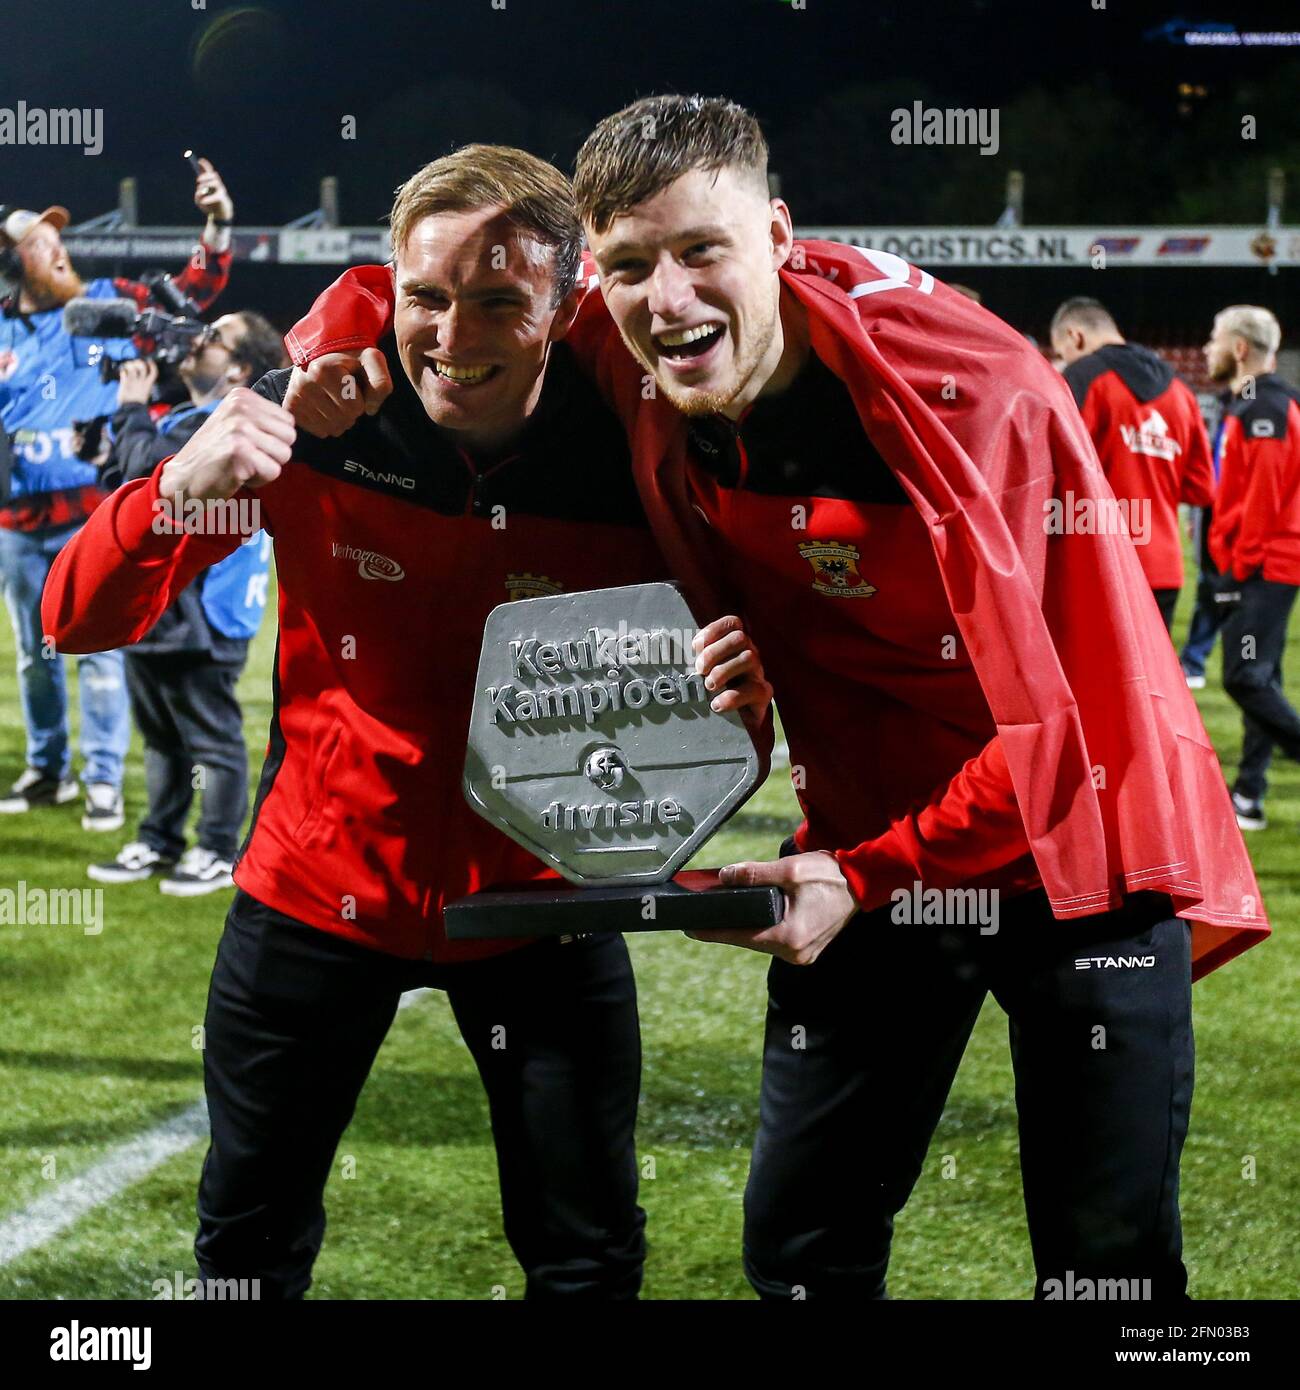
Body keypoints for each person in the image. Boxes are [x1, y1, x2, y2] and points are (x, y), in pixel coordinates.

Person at [286, 96, 1267, 1301]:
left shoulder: (977, 401)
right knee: (801, 1247)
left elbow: (1068, 736)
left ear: (780, 238)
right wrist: (331, 343)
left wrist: (861, 875)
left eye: (706, 251)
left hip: (1080, 851)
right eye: (634, 265)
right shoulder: (630, 336)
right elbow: (444, 281)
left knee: (1105, 1268)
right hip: (871, 850)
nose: (672, 296)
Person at [43, 146, 767, 1299]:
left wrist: (744, 688)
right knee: (245, 1246)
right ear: (389, 285)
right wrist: (175, 487)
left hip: (548, 903)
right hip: (316, 890)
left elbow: (758, 649)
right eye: (425, 296)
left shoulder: (642, 437)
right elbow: (75, 617)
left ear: (567, 304)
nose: (450, 333)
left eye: (497, 301)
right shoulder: (315, 413)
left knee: (587, 1256)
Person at [0, 160, 233, 828]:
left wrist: (216, 223)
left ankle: (101, 778)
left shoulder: (105, 300)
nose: (55, 247)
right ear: (13, 264)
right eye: (37, 242)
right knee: (31, 657)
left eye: (54, 237)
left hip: (90, 514)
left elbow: (196, 288)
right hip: (16, 519)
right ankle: (49, 771)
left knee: (96, 653)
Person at [87, 312, 282, 893]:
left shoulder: (224, 424)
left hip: (205, 611)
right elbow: (128, 485)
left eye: (215, 338)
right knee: (164, 736)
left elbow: (147, 467)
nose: (196, 341)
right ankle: (160, 838)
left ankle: (218, 849)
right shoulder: (185, 417)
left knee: (211, 739)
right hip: (167, 608)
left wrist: (128, 408)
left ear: (240, 370)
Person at [1050, 297, 1215, 633]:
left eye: (1062, 351)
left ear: (1075, 337)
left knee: (1091, 683)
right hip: (1163, 567)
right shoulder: (1182, 391)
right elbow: (1201, 488)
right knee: (1150, 685)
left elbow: (1053, 462)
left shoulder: (1083, 376)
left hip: (1099, 563)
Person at [1204, 305, 1300, 833]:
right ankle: (1250, 794)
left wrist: (1235, 568)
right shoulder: (1260, 402)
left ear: (1240, 348)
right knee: (1262, 675)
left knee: (1244, 677)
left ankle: (1252, 790)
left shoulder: (1263, 406)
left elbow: (1262, 498)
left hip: (1264, 563)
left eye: (1215, 339)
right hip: (1270, 561)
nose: (1205, 349)